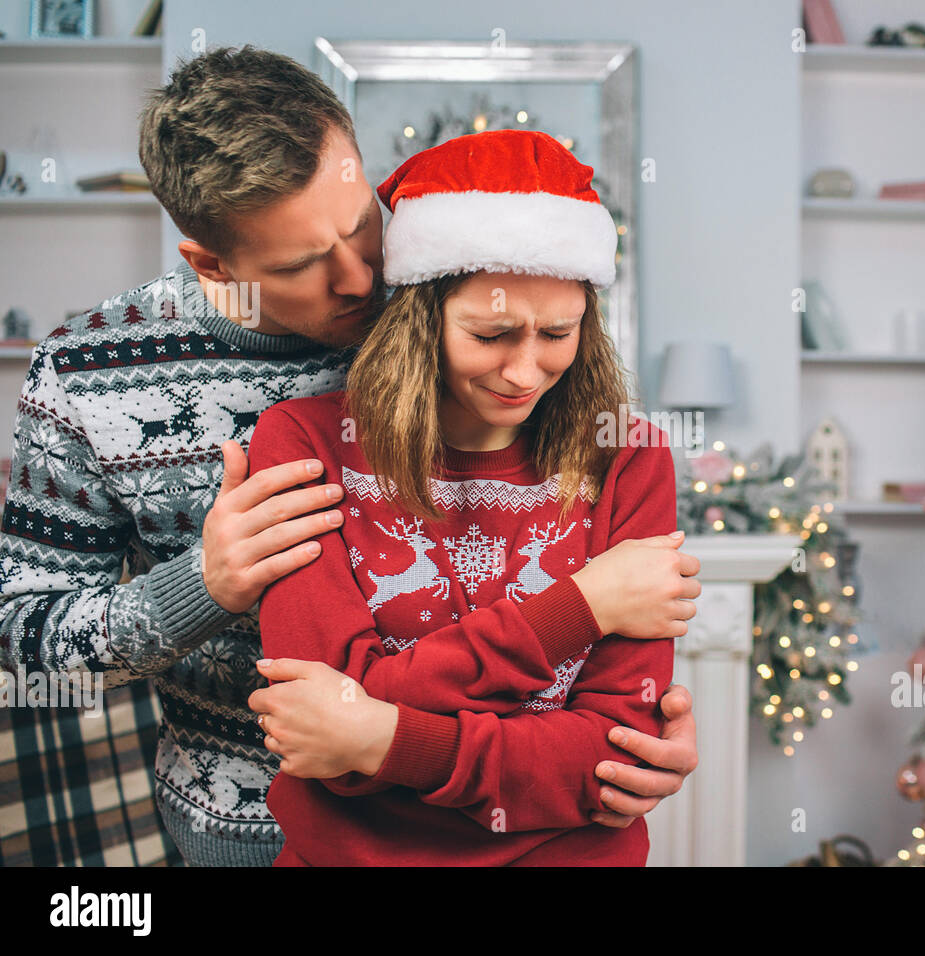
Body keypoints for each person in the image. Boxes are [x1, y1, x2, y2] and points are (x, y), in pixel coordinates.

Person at [0, 46, 699, 867]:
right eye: (302, 264)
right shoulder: (87, 373)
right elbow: (23, 637)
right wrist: (205, 585)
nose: (362, 277)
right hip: (245, 828)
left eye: (363, 219)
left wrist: (624, 754)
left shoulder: (441, 279)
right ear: (211, 263)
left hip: (508, 811)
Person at [249, 128, 695, 865]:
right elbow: (318, 734)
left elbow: (613, 759)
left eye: (558, 333)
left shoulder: (629, 457)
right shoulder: (304, 442)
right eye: (491, 334)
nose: (525, 371)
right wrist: (581, 606)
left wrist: (384, 736)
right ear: (420, 323)